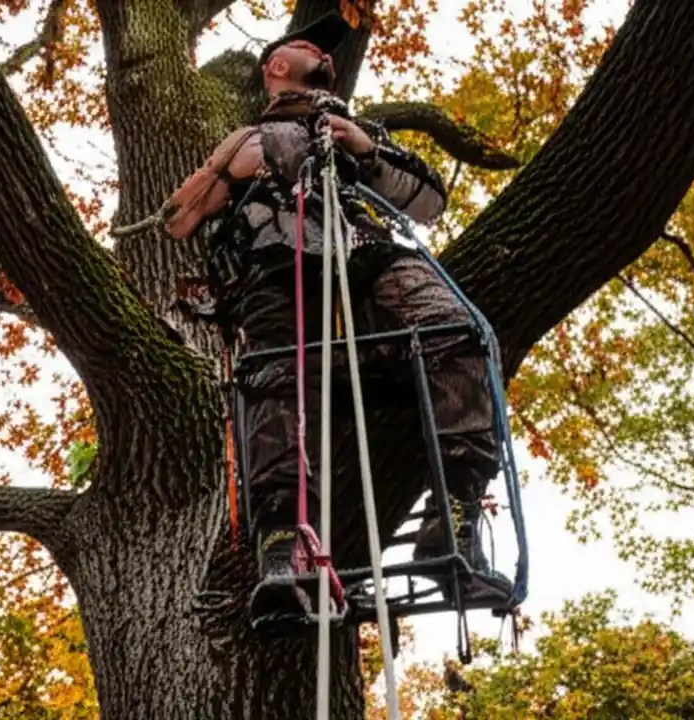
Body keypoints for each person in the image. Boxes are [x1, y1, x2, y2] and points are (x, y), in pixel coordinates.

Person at [161, 12, 512, 622]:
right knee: (277, 371)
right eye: (305, 44)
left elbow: (428, 201)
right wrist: (226, 162)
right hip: (281, 260)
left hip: (370, 253)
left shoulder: (360, 131)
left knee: (456, 332)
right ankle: (282, 543)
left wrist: (361, 146)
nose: (319, 51)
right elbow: (176, 221)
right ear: (275, 66)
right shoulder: (246, 142)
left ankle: (451, 523)